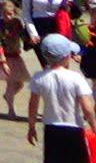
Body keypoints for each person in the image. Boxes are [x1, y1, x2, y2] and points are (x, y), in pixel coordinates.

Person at [28, 33, 96, 162]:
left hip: (51, 128)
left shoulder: (39, 77)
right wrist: (94, 127)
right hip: (74, 127)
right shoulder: (75, 78)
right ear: (67, 56)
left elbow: (33, 105)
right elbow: (87, 108)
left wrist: (31, 127)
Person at [0, 0, 31, 119]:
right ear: (1, 14)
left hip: (16, 56)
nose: (9, 16)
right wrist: (3, 62)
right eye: (5, 14)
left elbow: (24, 37)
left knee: (19, 84)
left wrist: (28, 39)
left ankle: (8, 96)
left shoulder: (17, 23)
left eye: (11, 13)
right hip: (6, 58)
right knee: (11, 83)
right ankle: (11, 110)